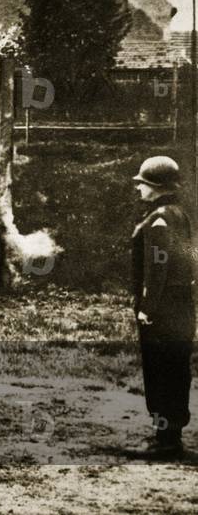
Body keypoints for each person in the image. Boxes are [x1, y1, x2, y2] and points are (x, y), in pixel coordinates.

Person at [129, 155, 195, 459]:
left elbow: (158, 268)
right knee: (175, 370)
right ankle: (169, 436)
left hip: (163, 309)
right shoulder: (178, 214)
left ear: (155, 187)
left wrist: (148, 307)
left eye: (143, 184)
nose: (139, 189)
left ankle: (166, 441)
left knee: (160, 371)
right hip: (180, 307)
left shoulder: (158, 219)